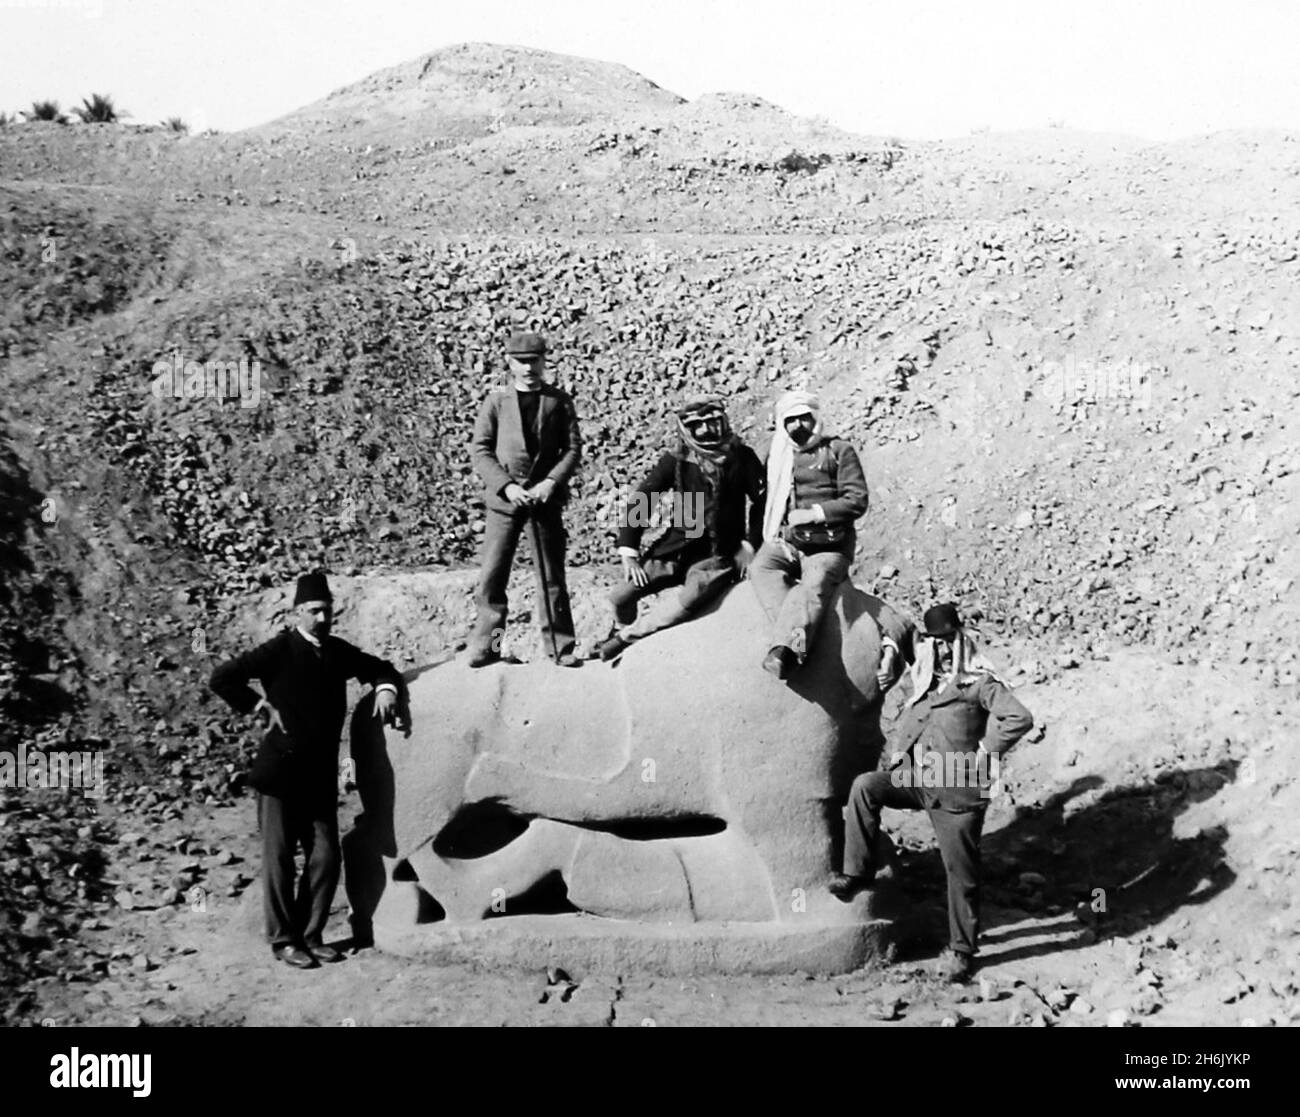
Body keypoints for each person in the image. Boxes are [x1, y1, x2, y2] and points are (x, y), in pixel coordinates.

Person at [829, 603, 1034, 982]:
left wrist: (986, 751)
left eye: (947, 640)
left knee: (961, 872)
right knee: (866, 787)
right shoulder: (923, 680)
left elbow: (1019, 718)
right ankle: (857, 872)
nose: (941, 648)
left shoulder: (978, 683)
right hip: (918, 780)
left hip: (958, 789)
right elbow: (895, 645)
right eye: (934, 641)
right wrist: (895, 760)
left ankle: (961, 951)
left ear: (959, 639)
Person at [209, 572, 402, 969]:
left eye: (326, 611)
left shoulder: (336, 651)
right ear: (297, 612)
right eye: (313, 611)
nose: (321, 617)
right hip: (279, 776)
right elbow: (222, 677)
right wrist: (260, 706)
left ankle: (310, 935)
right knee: (279, 861)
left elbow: (379, 666)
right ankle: (284, 941)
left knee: (326, 858)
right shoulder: (280, 649)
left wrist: (386, 689)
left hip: (317, 780)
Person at [596, 396, 764, 660]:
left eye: (713, 423)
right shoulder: (678, 459)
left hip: (715, 555)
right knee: (620, 597)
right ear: (686, 429)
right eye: (699, 426)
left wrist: (749, 544)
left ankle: (626, 639)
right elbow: (644, 498)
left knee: (688, 600)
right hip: (675, 549)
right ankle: (621, 630)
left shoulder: (742, 457)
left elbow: (762, 502)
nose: (707, 432)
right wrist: (629, 550)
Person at [468, 331, 582, 668]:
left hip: (543, 502)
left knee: (551, 577)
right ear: (509, 362)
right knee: (493, 576)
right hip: (506, 502)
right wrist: (506, 486)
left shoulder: (559, 401)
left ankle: (560, 647)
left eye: (534, 361)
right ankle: (491, 646)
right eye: (521, 361)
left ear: (545, 361)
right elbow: (480, 448)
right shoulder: (496, 400)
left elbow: (573, 448)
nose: (528, 368)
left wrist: (551, 482)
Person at [751, 390, 869, 679]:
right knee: (761, 567)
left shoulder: (839, 450)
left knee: (814, 585)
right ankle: (790, 629)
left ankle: (793, 649)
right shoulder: (778, 453)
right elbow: (762, 500)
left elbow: (857, 500)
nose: (798, 426)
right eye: (790, 420)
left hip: (829, 545)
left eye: (804, 418)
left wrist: (815, 513)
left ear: (816, 418)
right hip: (790, 541)